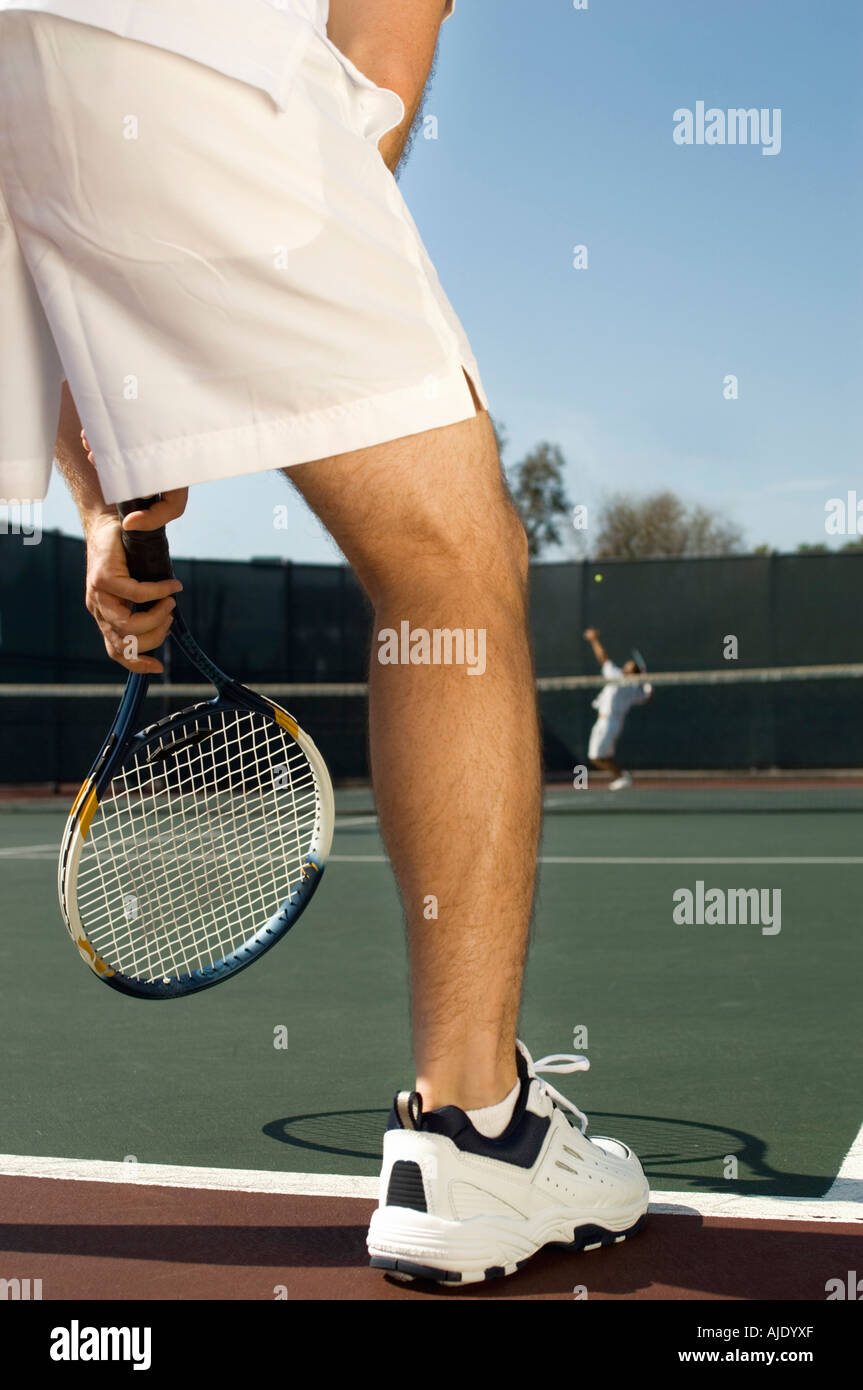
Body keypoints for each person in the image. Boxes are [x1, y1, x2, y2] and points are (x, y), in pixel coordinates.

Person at [0, 0, 648, 1285]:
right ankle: (474, 1135)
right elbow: (378, 68)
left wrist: (103, 495)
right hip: (177, 52)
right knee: (450, 565)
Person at [583, 628, 653, 790]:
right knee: (604, 756)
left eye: (629, 665)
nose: (626, 665)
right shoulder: (635, 689)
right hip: (613, 724)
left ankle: (623, 776)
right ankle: (622, 776)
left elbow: (603, 658)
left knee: (595, 757)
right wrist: (648, 684)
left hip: (607, 724)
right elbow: (648, 698)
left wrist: (594, 640)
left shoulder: (618, 677)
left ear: (631, 672)